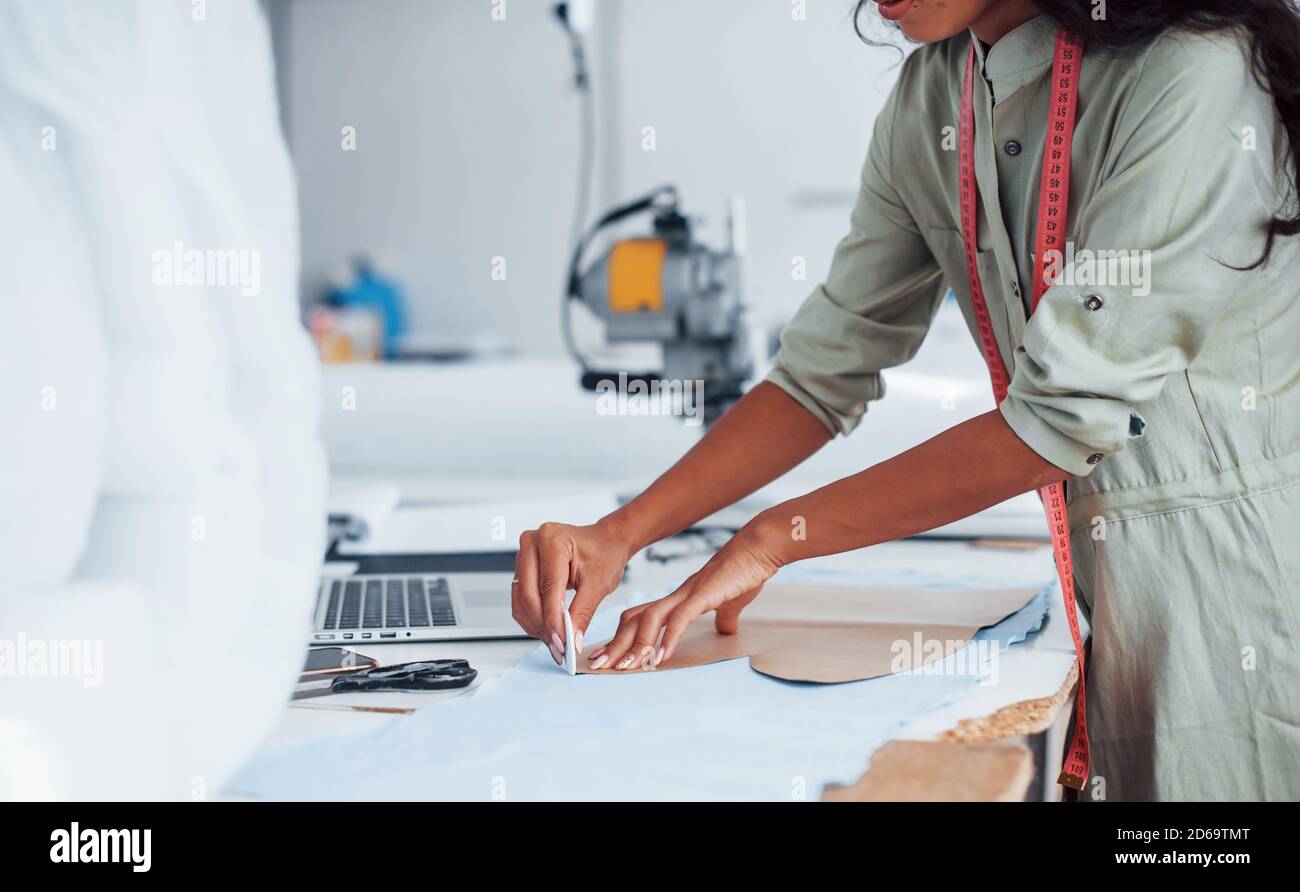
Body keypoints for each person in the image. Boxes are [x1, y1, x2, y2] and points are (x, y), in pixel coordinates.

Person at [511, 0, 1300, 801]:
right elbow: (821, 373)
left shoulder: (1197, 71)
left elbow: (1057, 417)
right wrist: (619, 533)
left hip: (1239, 596)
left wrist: (772, 538)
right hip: (1109, 599)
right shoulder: (936, 98)